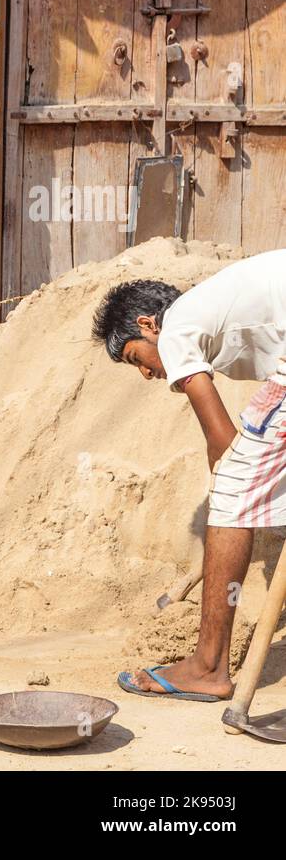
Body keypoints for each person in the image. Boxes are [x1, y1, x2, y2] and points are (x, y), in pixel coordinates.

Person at [91, 248, 286, 701]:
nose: (144, 372)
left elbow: (221, 439)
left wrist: (233, 494)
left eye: (135, 356)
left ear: (146, 324)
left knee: (235, 485)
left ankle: (207, 667)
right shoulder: (219, 307)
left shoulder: (177, 326)